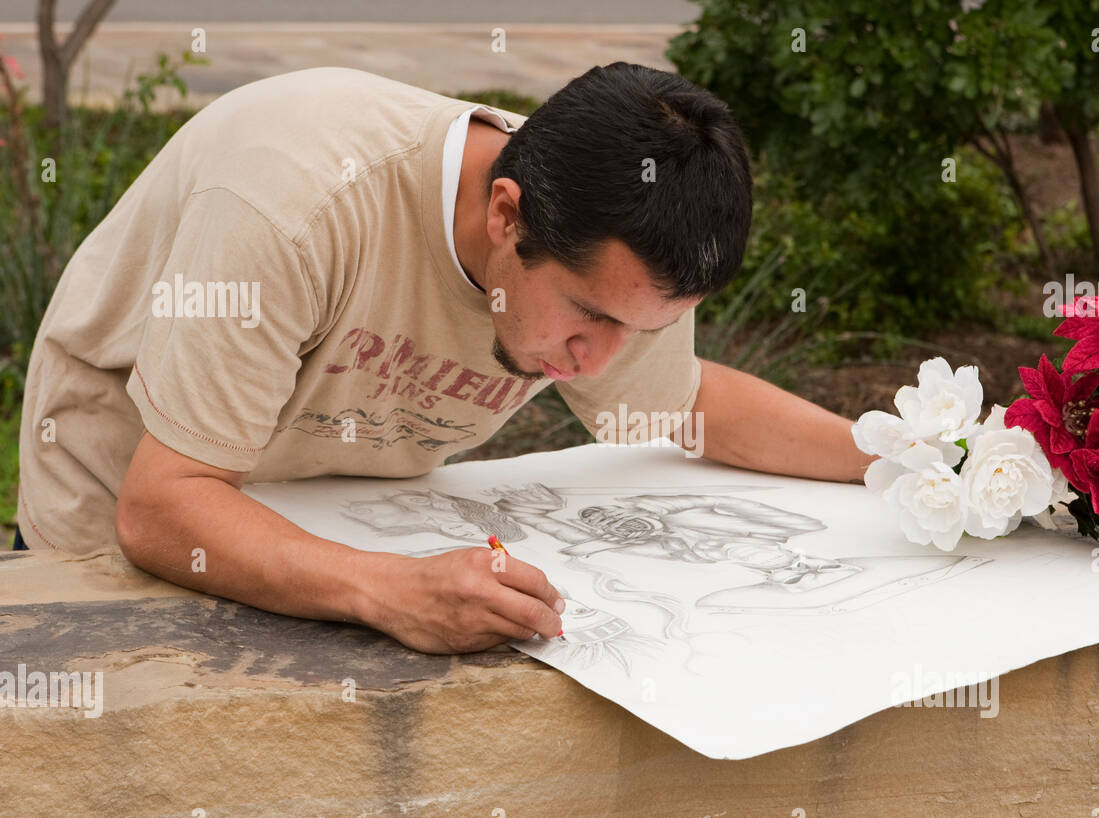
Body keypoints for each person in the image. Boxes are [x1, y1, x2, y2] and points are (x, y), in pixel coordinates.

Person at [15, 62, 875, 654]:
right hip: (122, 523)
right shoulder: (294, 205)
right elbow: (163, 508)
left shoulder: (612, 247)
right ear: (506, 214)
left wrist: (907, 455)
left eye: (639, 333)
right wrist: (385, 589)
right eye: (589, 316)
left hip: (323, 522)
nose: (598, 360)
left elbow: (684, 405)